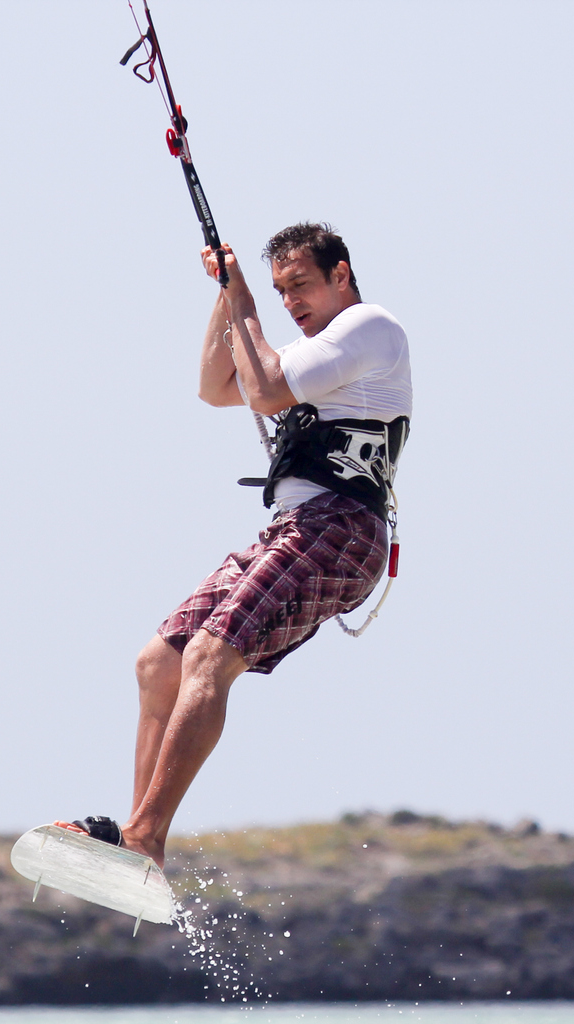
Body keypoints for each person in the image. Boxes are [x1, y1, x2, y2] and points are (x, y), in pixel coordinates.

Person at [63, 222, 411, 867]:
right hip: (294, 529)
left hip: (339, 528)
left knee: (209, 655)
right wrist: (227, 297)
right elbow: (217, 388)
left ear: (342, 274)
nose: (291, 303)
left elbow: (268, 389)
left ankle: (146, 835)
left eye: (301, 285)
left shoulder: (369, 328)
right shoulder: (316, 354)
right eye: (280, 292)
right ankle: (141, 843)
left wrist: (245, 301)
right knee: (158, 663)